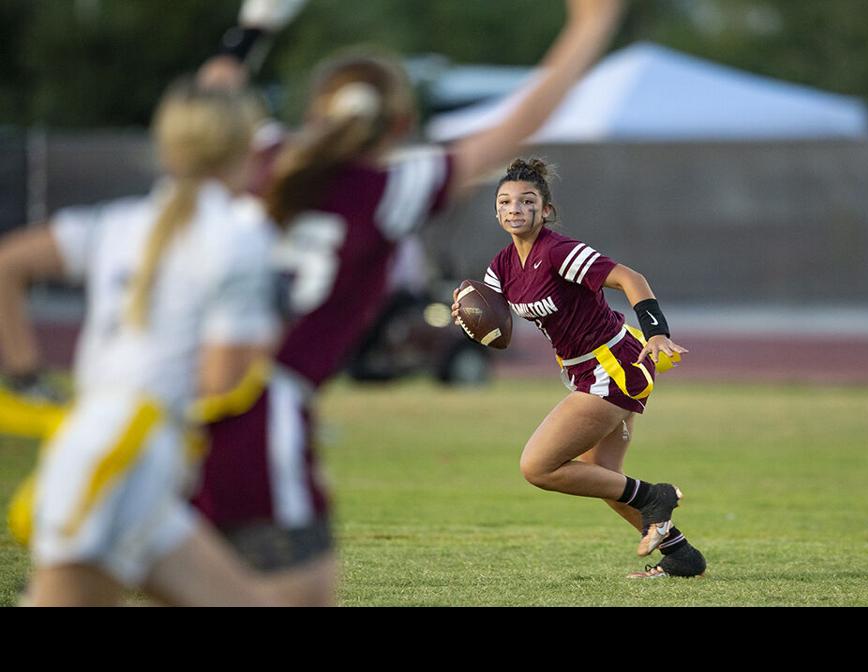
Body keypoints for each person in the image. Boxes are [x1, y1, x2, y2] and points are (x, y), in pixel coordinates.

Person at [189, 0, 629, 604]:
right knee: (300, 591)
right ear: (399, 124)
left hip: (170, 397)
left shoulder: (264, 160)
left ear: (315, 113)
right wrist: (591, 25)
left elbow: (215, 95)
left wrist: (253, 30)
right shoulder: (387, 188)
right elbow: (520, 122)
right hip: (261, 411)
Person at [0, 81, 282, 606]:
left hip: (121, 451)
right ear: (248, 149)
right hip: (125, 458)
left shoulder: (118, 222)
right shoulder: (240, 236)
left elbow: (7, 265)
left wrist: (26, 375)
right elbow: (222, 382)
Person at [461, 158, 704, 579]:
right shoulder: (501, 266)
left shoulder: (558, 252)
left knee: (537, 466)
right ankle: (682, 557)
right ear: (496, 211)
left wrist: (657, 332)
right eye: (505, 201)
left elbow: (631, 278)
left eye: (527, 201)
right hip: (586, 370)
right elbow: (493, 321)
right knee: (602, 479)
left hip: (613, 364)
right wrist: (464, 314)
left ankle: (656, 496)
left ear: (546, 210)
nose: (515, 208)